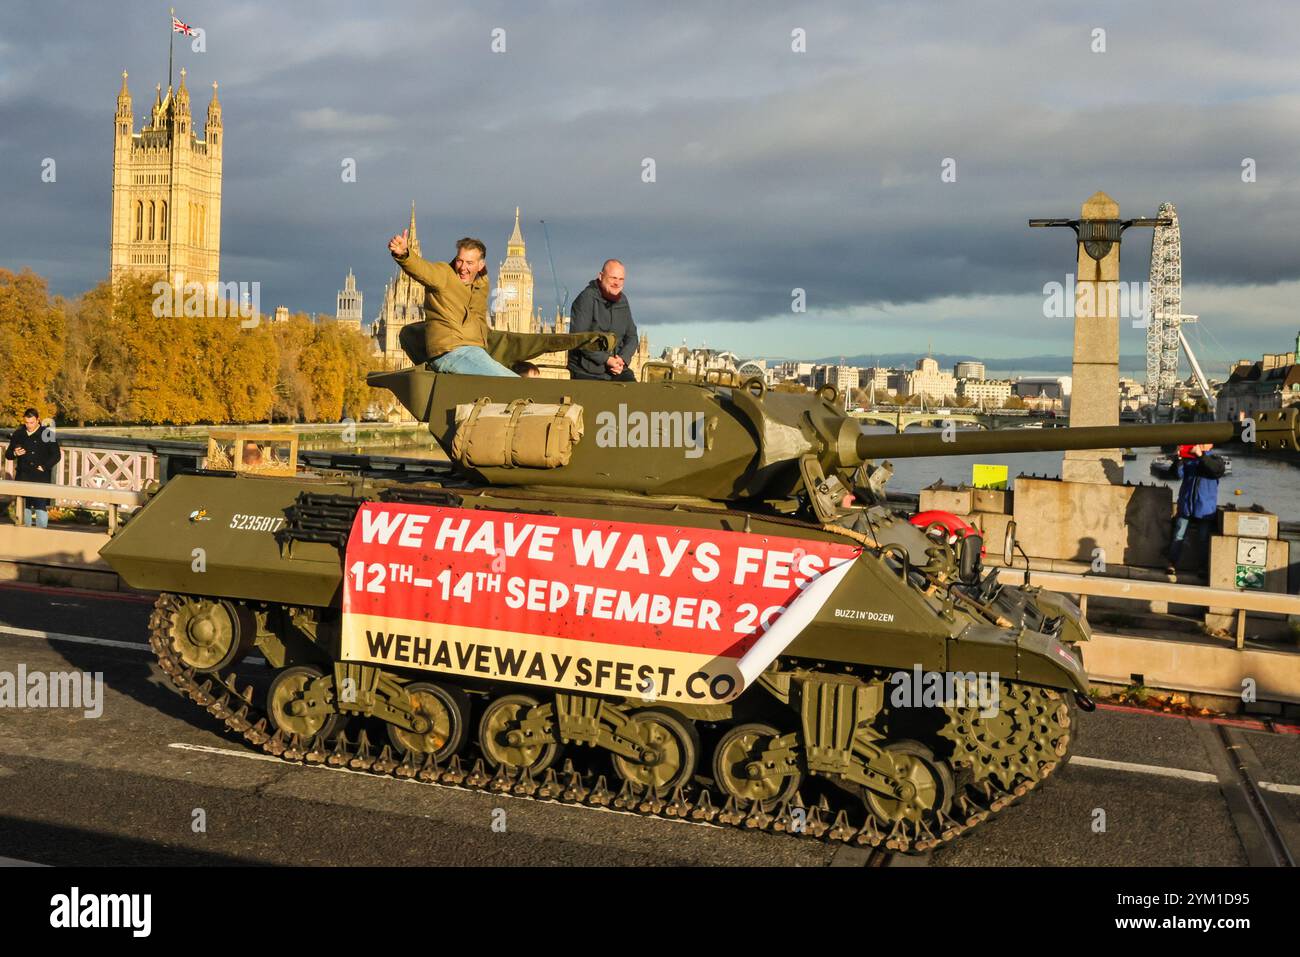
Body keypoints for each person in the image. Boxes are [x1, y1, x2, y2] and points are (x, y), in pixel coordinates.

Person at [386, 228, 517, 376]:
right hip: (450, 352)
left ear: (480, 265)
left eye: (469, 263)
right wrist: (404, 254)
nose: (463, 267)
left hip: (474, 352)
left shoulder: (481, 286)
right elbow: (423, 270)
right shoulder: (444, 275)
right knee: (513, 383)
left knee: (516, 381)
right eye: (460, 261)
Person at [567, 259, 638, 381]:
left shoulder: (623, 301)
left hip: (615, 369)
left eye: (621, 279)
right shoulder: (586, 299)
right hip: (586, 370)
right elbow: (579, 339)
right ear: (601, 276)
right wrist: (606, 359)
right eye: (613, 278)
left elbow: (632, 336)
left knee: (634, 393)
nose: (617, 283)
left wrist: (622, 360)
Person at [1166, 443, 1225, 576]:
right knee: (1178, 535)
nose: (1201, 444)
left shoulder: (1216, 460)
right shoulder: (1189, 460)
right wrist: (1179, 459)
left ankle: (1202, 568)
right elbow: (1176, 475)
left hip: (1205, 508)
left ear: (1211, 445)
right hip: (1186, 505)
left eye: (1205, 443)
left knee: (1203, 540)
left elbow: (1216, 470)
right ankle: (1171, 564)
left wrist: (1201, 456)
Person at [5, 408, 61, 528]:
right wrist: (15, 453)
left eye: (32, 422)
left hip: (40, 475)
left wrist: (44, 467)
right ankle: (24, 532)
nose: (29, 426)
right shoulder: (19, 433)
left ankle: (41, 533)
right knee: (24, 506)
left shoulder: (47, 433)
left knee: (40, 506)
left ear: (38, 420)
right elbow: (8, 455)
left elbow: (56, 455)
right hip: (23, 474)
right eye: (26, 423)